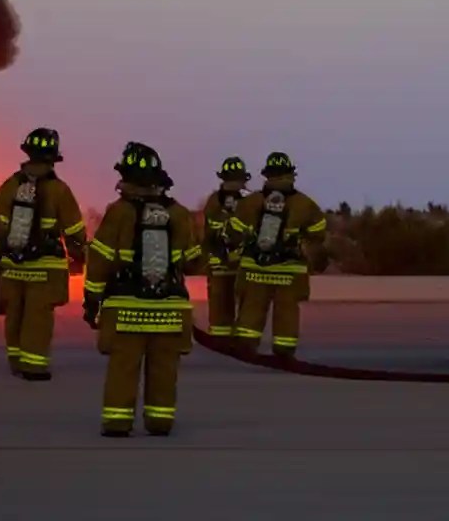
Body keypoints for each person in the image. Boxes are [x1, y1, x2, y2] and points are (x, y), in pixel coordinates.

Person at [83, 142, 201, 437]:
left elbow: (99, 260)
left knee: (123, 368)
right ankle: (160, 421)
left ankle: (117, 422)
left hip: (125, 310)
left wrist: (92, 300)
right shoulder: (180, 214)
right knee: (164, 371)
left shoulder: (118, 212)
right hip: (170, 311)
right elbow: (193, 263)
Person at [0, 127, 86, 380]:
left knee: (15, 315)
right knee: (37, 317)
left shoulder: (9, 186)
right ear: (53, 157)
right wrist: (79, 251)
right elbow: (74, 228)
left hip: (13, 264)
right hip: (44, 268)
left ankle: (16, 361)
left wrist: (7, 248)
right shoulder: (59, 190)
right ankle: (34, 366)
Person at [228, 151, 328, 358]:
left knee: (252, 308)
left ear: (267, 176)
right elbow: (318, 233)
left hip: (255, 269)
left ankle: (246, 345)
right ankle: (284, 349)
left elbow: (233, 233)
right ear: (291, 175)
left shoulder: (250, 202)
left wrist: (238, 251)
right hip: (290, 271)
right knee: (287, 312)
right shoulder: (306, 204)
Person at [199, 156, 251, 338]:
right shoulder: (215, 201)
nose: (234, 185)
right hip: (222, 263)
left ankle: (241, 337)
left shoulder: (248, 200)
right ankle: (222, 336)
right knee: (222, 302)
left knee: (246, 303)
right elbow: (208, 232)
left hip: (239, 264)